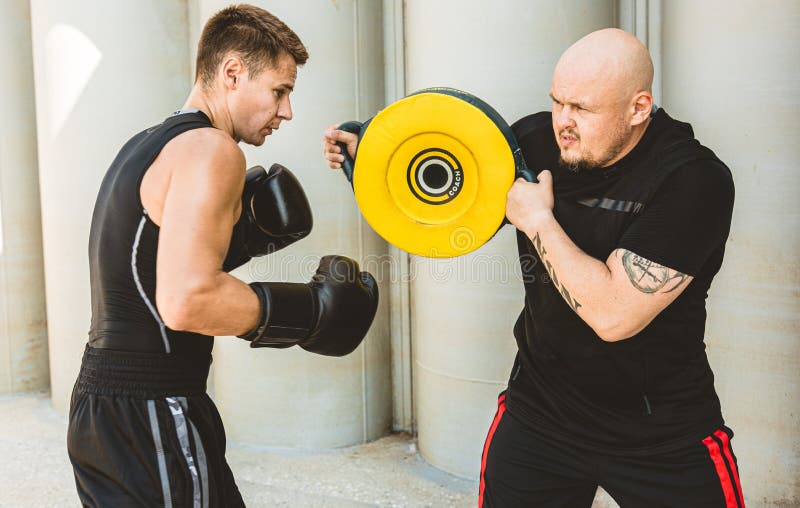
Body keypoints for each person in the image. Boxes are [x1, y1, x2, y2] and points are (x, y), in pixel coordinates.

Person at [323, 28, 742, 508]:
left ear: (638, 109)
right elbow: (445, 205)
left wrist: (538, 219)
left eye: (582, 109)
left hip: (660, 431)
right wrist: (373, 157)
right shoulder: (536, 142)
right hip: (541, 412)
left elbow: (614, 316)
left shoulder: (693, 181)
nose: (563, 122)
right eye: (557, 102)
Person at [68, 5, 378, 507]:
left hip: (104, 405)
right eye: (280, 91)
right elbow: (186, 301)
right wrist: (312, 314)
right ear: (233, 72)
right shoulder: (212, 150)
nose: (287, 112)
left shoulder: (148, 144)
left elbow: (147, 272)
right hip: (154, 411)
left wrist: (241, 240)